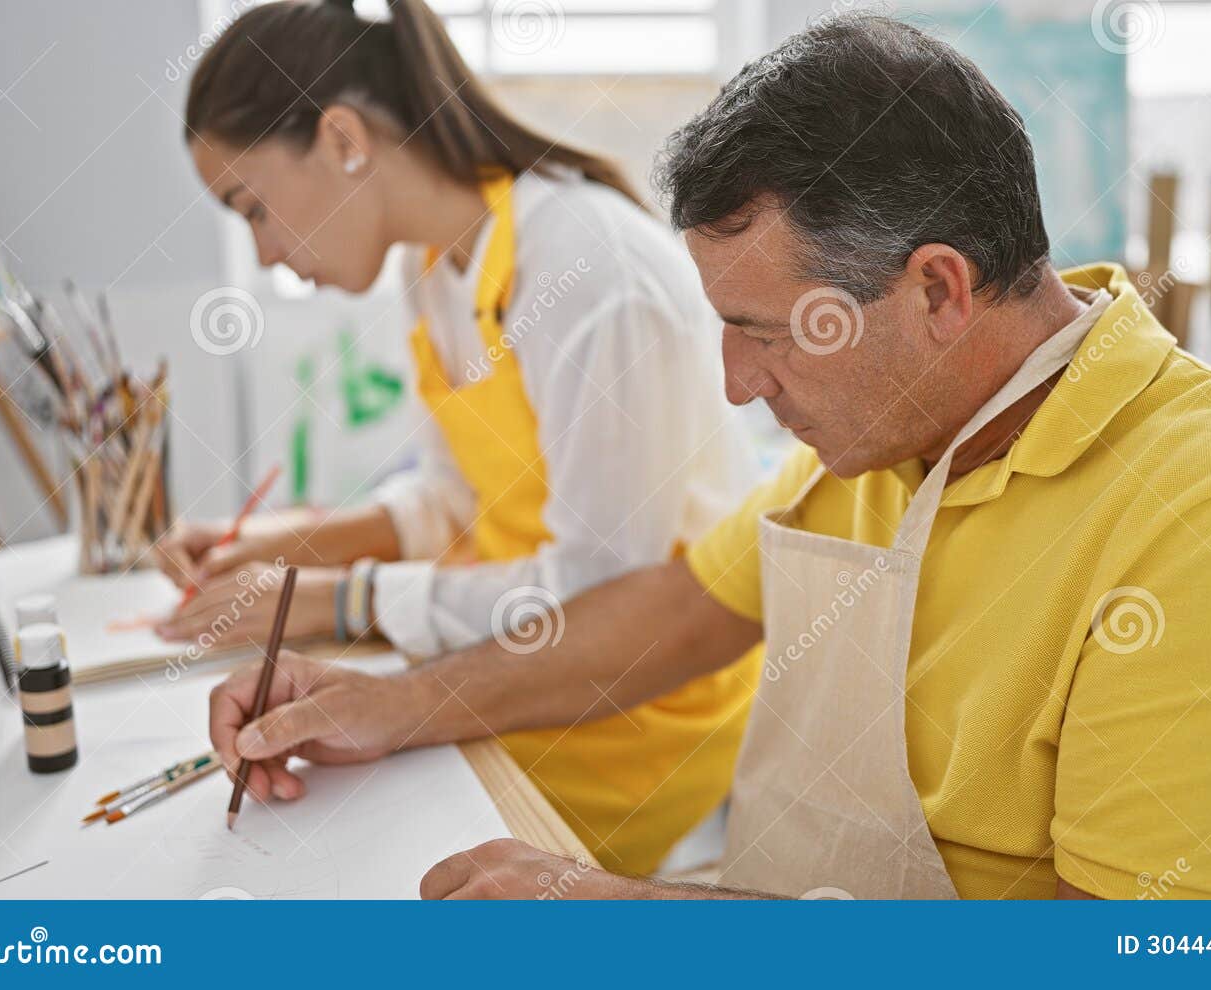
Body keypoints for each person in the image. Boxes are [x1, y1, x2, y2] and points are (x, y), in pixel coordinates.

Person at [208, 14, 1211, 899]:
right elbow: (674, 613)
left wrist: (627, 913)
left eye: (765, 333)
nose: (735, 383)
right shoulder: (891, 433)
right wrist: (393, 706)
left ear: (938, 290)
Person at [162, 0, 763, 875]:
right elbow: (451, 500)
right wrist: (272, 548)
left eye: (253, 208)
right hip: (520, 657)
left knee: (369, 856)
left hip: (636, 707)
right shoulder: (433, 264)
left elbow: (598, 593)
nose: (262, 255)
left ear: (342, 139)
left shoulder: (589, 269)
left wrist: (343, 599)